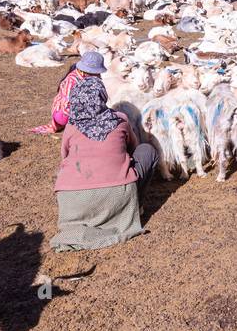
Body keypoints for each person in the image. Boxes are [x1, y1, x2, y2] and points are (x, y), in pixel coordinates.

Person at [50, 60, 158, 252]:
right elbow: (133, 149)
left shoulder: (71, 126)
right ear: (102, 96)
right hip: (116, 194)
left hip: (72, 200)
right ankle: (135, 206)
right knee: (147, 151)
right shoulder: (120, 120)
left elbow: (64, 156)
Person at [28, 51, 101, 134]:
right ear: (86, 71)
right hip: (64, 114)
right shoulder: (72, 81)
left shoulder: (89, 78)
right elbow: (67, 105)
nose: (98, 75)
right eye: (95, 72)